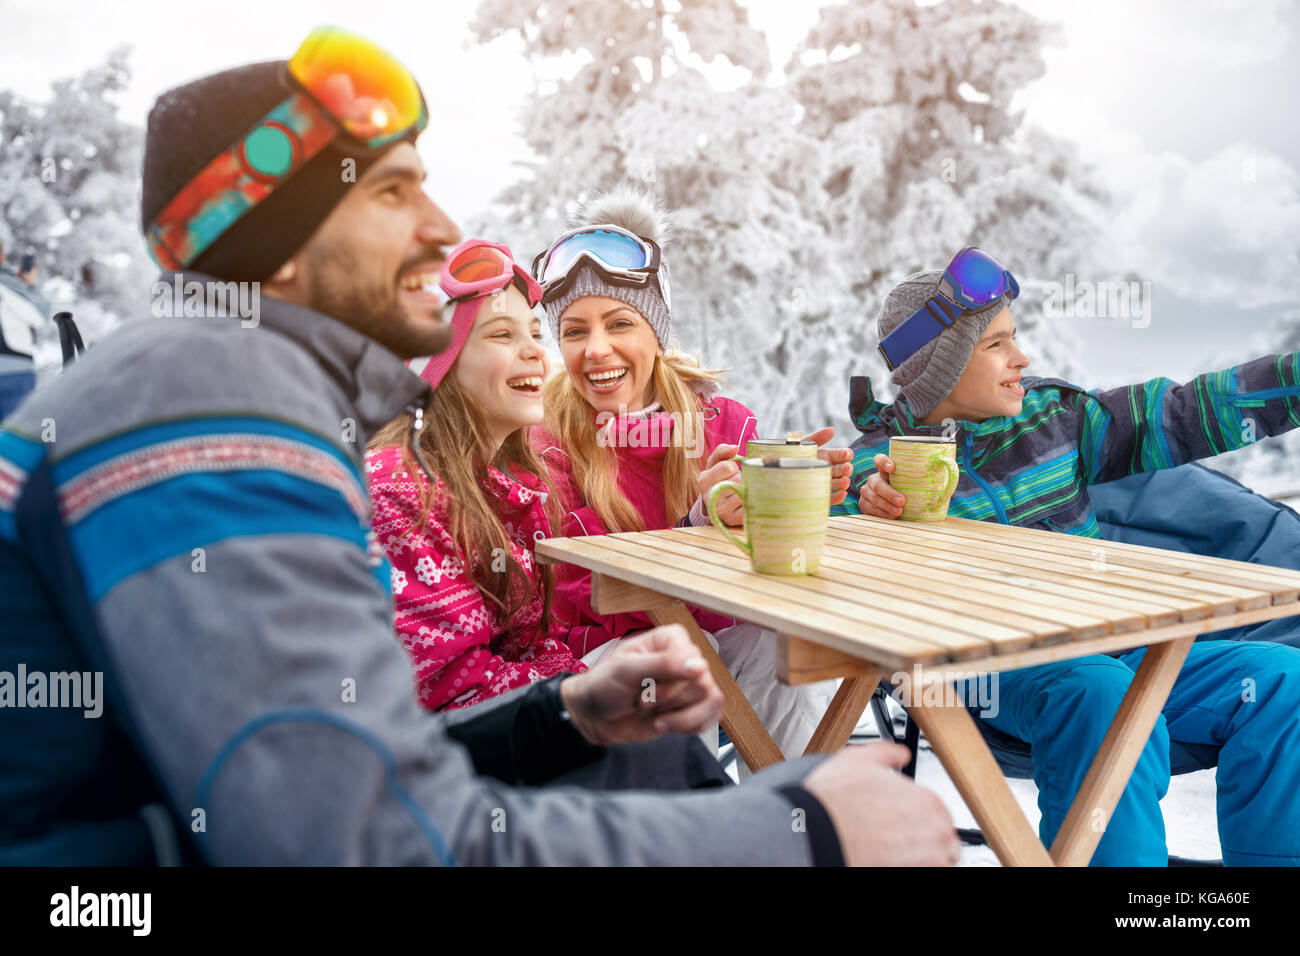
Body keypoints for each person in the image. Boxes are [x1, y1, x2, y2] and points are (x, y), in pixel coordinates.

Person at [0, 28, 959, 866]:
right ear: (277, 251)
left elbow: (341, 763)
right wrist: (798, 838)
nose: (441, 226)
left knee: (644, 750)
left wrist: (559, 712)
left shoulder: (231, 384)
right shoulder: (204, 410)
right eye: (391, 191)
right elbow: (357, 843)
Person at [836, 247, 1300, 866]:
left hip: (1114, 654)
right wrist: (868, 515)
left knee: (1279, 682)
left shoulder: (1059, 423)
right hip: (982, 682)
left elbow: (1187, 411)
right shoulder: (879, 464)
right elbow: (821, 554)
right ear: (940, 368)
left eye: (1016, 336)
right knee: (1098, 690)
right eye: (995, 344)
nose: (1021, 357)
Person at [530, 184, 854, 764]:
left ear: (656, 330)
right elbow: (581, 589)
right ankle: (689, 833)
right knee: (677, 651)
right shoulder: (547, 441)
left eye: (619, 323)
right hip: (605, 656)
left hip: (713, 636)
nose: (596, 350)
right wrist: (697, 530)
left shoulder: (722, 422)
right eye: (574, 331)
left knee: (785, 640)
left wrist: (793, 499)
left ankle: (791, 822)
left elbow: (771, 570)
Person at [0, 240, 48, 418]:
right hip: (12, 372)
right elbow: (39, 315)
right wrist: (29, 286)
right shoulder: (6, 283)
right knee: (15, 436)